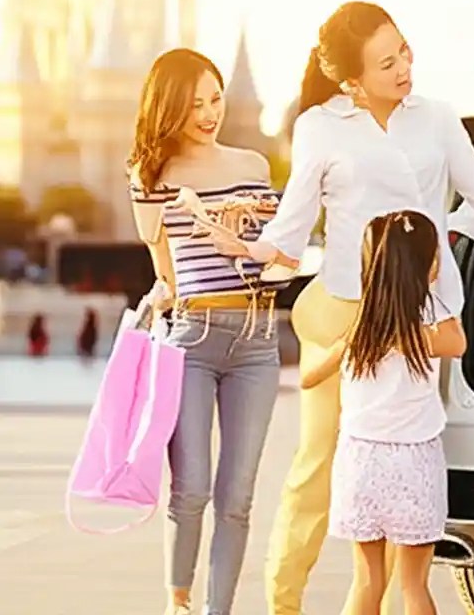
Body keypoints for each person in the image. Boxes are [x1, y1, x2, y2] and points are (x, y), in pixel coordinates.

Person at [204, 1, 474, 615]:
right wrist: (242, 246)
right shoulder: (321, 126)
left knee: (420, 448)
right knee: (321, 461)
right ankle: (283, 602)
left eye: (404, 50)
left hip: (431, 310)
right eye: (386, 62)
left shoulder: (438, 119)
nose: (405, 67)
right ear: (352, 80)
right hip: (352, 307)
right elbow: (291, 235)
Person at [127, 48, 286, 615]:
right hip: (192, 338)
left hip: (258, 340)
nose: (208, 113)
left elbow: (277, 259)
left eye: (215, 98)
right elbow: (163, 267)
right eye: (193, 104)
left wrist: (245, 233)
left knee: (237, 497)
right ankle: (179, 601)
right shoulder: (152, 175)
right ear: (168, 108)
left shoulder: (254, 165)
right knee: (189, 488)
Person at [302, 210, 459, 615]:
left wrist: (351, 343)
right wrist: (405, 336)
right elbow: (456, 343)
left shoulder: (361, 324)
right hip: (414, 459)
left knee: (367, 580)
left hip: (360, 460)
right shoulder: (429, 310)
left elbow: (308, 376)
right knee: (414, 587)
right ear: (429, 262)